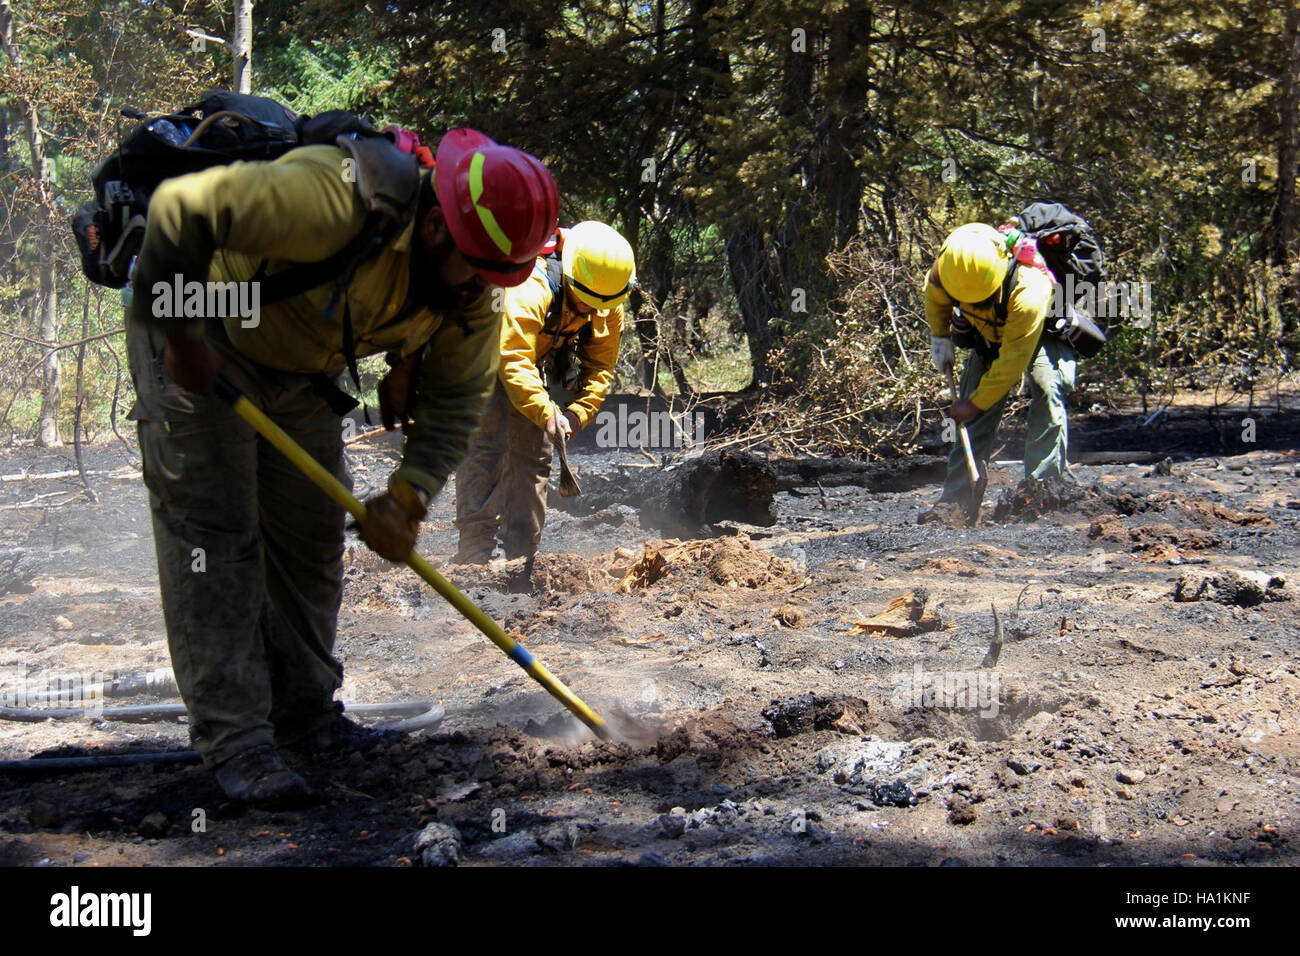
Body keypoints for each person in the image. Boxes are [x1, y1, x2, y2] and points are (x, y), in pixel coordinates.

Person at [125, 128, 559, 806]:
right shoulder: (332, 199)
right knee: (218, 543)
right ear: (441, 227)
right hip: (204, 324)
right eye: (479, 269)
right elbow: (182, 209)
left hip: (300, 366)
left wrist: (409, 497)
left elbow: (454, 401)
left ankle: (304, 718)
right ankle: (238, 742)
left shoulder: (475, 283)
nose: (485, 288)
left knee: (311, 539)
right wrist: (178, 331)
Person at [452, 221, 635, 566]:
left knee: (533, 454)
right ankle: (473, 556)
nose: (594, 312)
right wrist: (544, 410)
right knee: (484, 446)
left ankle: (522, 556)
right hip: (479, 349)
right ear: (570, 278)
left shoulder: (606, 295)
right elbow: (512, 359)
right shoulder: (530, 287)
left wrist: (575, 414)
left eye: (601, 306)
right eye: (587, 304)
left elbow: (600, 370)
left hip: (525, 358)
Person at [920, 222, 1076, 524]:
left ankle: (1042, 492)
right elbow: (936, 295)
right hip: (989, 332)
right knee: (971, 414)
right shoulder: (950, 267)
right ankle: (956, 501)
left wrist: (974, 403)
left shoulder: (1030, 292)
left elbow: (1012, 363)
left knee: (1045, 388)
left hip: (1040, 331)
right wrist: (940, 337)